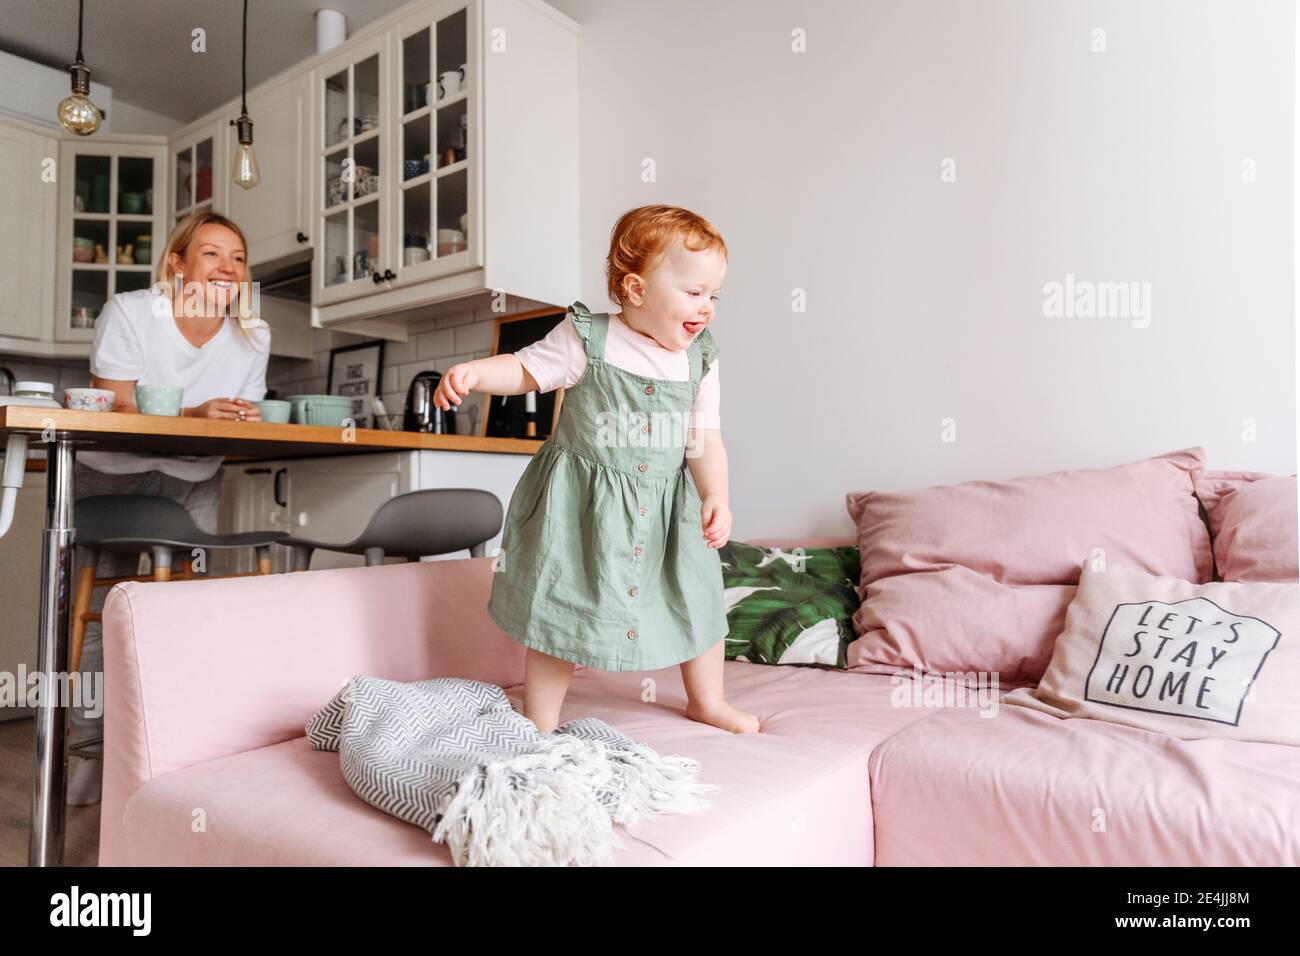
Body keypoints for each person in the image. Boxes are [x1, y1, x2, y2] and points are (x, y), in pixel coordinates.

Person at [433, 204, 759, 735]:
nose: (707, 308)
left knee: (698, 600)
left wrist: (715, 495)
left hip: (665, 510)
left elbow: (705, 437)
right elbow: (524, 369)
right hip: (583, 504)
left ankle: (708, 700)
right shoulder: (589, 338)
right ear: (636, 289)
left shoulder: (700, 357)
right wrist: (476, 372)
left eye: (714, 295)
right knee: (562, 602)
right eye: (694, 293)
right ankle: (539, 718)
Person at [67, 211, 272, 805]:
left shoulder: (253, 333)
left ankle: (170, 748)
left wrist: (243, 419)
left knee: (182, 611)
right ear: (177, 264)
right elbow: (115, 402)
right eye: (211, 254)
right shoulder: (131, 312)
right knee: (106, 613)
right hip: (113, 476)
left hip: (194, 477)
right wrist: (192, 415)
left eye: (237, 258)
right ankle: (93, 752)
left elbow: (239, 414)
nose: (227, 268)